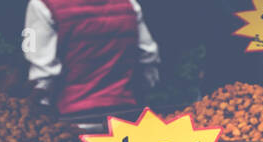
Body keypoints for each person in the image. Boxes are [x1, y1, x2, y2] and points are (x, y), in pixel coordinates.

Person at [22, 0, 160, 126]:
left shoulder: (42, 5)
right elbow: (148, 53)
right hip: (125, 113)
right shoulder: (128, 4)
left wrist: (40, 115)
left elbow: (43, 70)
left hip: (72, 118)